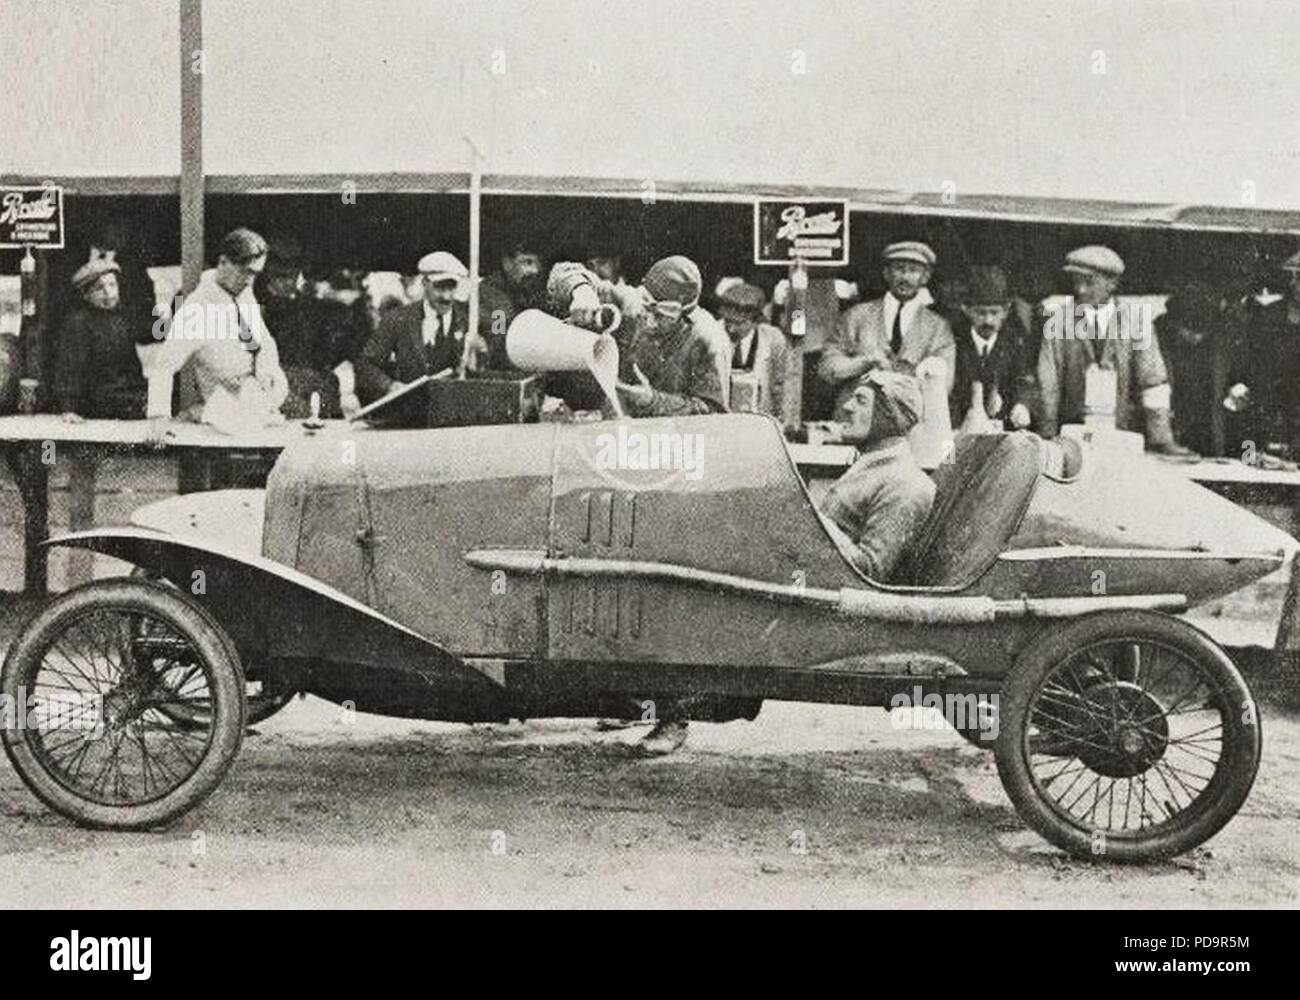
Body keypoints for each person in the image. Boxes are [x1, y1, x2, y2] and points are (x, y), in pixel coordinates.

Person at [1035, 245, 1190, 454]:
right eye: (1076, 281)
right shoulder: (1058, 322)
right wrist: (1048, 438)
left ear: (1112, 283)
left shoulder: (1136, 322)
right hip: (1072, 440)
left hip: (1123, 438)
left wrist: (1161, 439)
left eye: (1089, 282)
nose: (1080, 289)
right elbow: (1048, 384)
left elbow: (1152, 382)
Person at [141, 227, 288, 429]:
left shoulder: (244, 294)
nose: (249, 281)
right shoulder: (196, 310)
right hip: (227, 411)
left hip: (262, 397)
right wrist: (157, 419)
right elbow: (164, 365)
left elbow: (264, 341)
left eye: (255, 274)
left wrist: (268, 372)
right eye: (245, 272)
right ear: (223, 262)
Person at [550, 254, 731, 417]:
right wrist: (582, 292)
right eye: (647, 307)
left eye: (663, 315)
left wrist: (654, 401)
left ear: (685, 316)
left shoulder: (709, 341)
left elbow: (715, 413)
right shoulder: (631, 304)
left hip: (673, 438)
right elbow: (563, 271)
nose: (650, 321)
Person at [818, 241, 955, 421]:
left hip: (910, 425)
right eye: (899, 269)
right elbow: (826, 368)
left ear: (925, 277)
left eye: (913, 270)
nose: (905, 277)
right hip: (854, 420)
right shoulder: (856, 316)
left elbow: (943, 384)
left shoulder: (938, 328)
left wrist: (895, 381)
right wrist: (863, 362)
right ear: (886, 273)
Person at [819, 370, 934, 582]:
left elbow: (871, 572)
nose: (847, 406)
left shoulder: (905, 484)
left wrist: (816, 522)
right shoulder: (873, 465)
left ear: (887, 415)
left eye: (860, 400)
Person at [354, 251, 472, 425]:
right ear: (425, 283)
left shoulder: (469, 319)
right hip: (405, 422)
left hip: (454, 422)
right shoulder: (398, 319)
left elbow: (500, 320)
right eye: (440, 287)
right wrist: (389, 386)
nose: (447, 296)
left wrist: (484, 347)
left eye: (451, 287)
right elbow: (366, 365)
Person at [1222, 250, 1300, 460]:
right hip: (1264, 397)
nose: (1297, 284)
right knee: (1250, 445)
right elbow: (1245, 354)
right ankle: (1249, 460)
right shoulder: (1266, 316)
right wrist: (1237, 382)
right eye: (1295, 278)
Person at [53, 258, 148, 420]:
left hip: (126, 396)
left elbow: (132, 366)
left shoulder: (121, 319)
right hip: (98, 401)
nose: (108, 293)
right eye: (100, 288)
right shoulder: (79, 323)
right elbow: (69, 368)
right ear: (86, 295)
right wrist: (69, 408)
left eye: (112, 285)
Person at [948, 265, 1033, 430]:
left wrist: (1021, 405)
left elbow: (1024, 381)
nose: (988, 321)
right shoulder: (955, 342)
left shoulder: (1014, 343)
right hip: (961, 430)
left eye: (994, 313)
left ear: (1006, 311)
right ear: (967, 310)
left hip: (1003, 430)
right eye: (981, 313)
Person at [717, 281, 790, 425]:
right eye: (728, 321)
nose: (731, 329)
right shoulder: (711, 334)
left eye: (739, 323)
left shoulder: (774, 339)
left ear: (756, 321)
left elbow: (780, 386)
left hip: (759, 422)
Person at [479, 238, 547, 369]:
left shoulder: (525, 289)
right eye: (527, 262)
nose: (535, 270)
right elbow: (498, 341)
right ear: (507, 264)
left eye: (538, 263)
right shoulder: (491, 295)